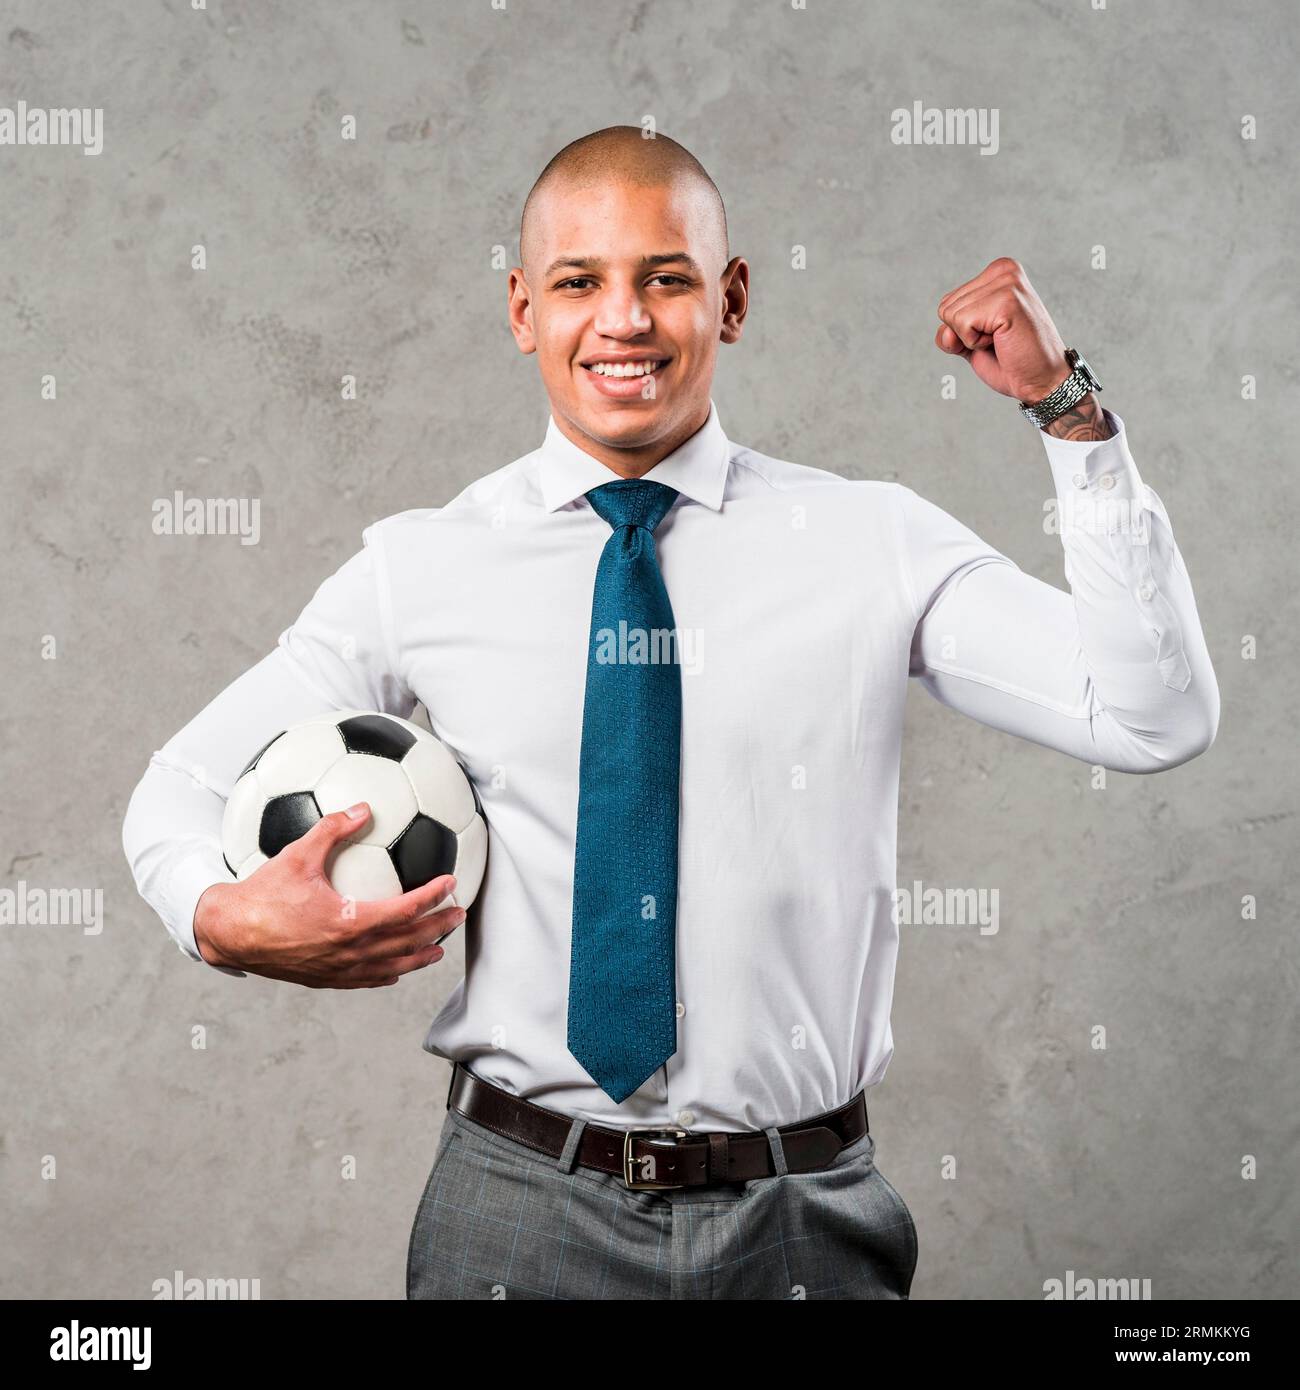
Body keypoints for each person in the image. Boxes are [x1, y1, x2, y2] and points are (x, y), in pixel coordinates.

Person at [122, 126, 1219, 1300]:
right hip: (517, 1208)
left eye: (667, 277)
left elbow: (1146, 714)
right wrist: (223, 922)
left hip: (803, 1216)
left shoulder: (867, 541)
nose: (624, 321)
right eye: (579, 282)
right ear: (521, 309)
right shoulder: (423, 568)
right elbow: (176, 791)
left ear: (731, 298)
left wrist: (1065, 409)